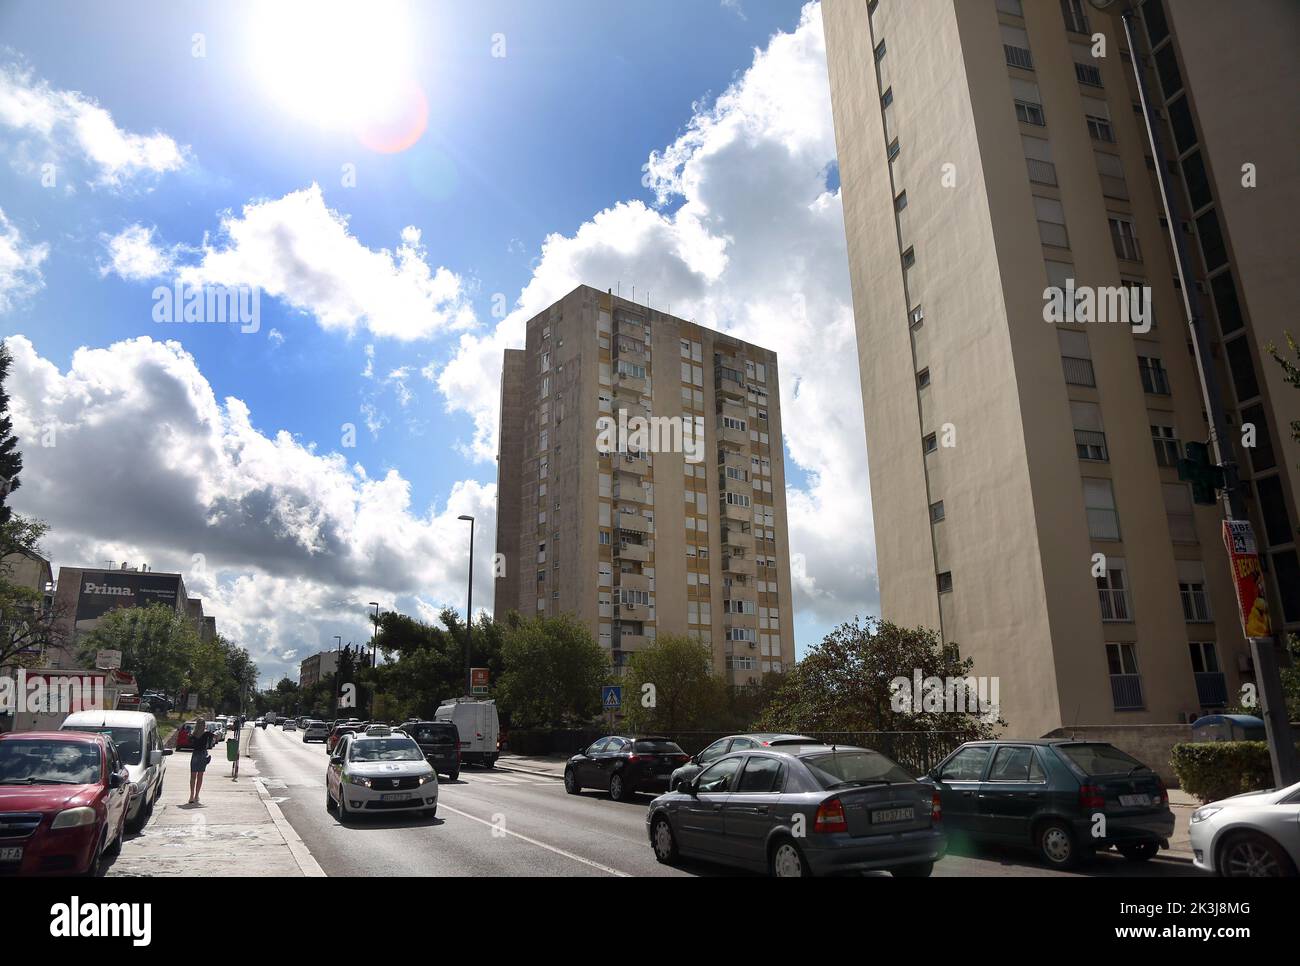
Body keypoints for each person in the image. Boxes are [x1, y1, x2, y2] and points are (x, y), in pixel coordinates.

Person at [189, 718, 216, 804]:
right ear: (204, 725)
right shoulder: (207, 733)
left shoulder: (193, 734)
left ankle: (191, 796)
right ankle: (197, 795)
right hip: (203, 754)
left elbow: (190, 742)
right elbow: (215, 736)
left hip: (195, 754)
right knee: (200, 776)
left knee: (193, 776)